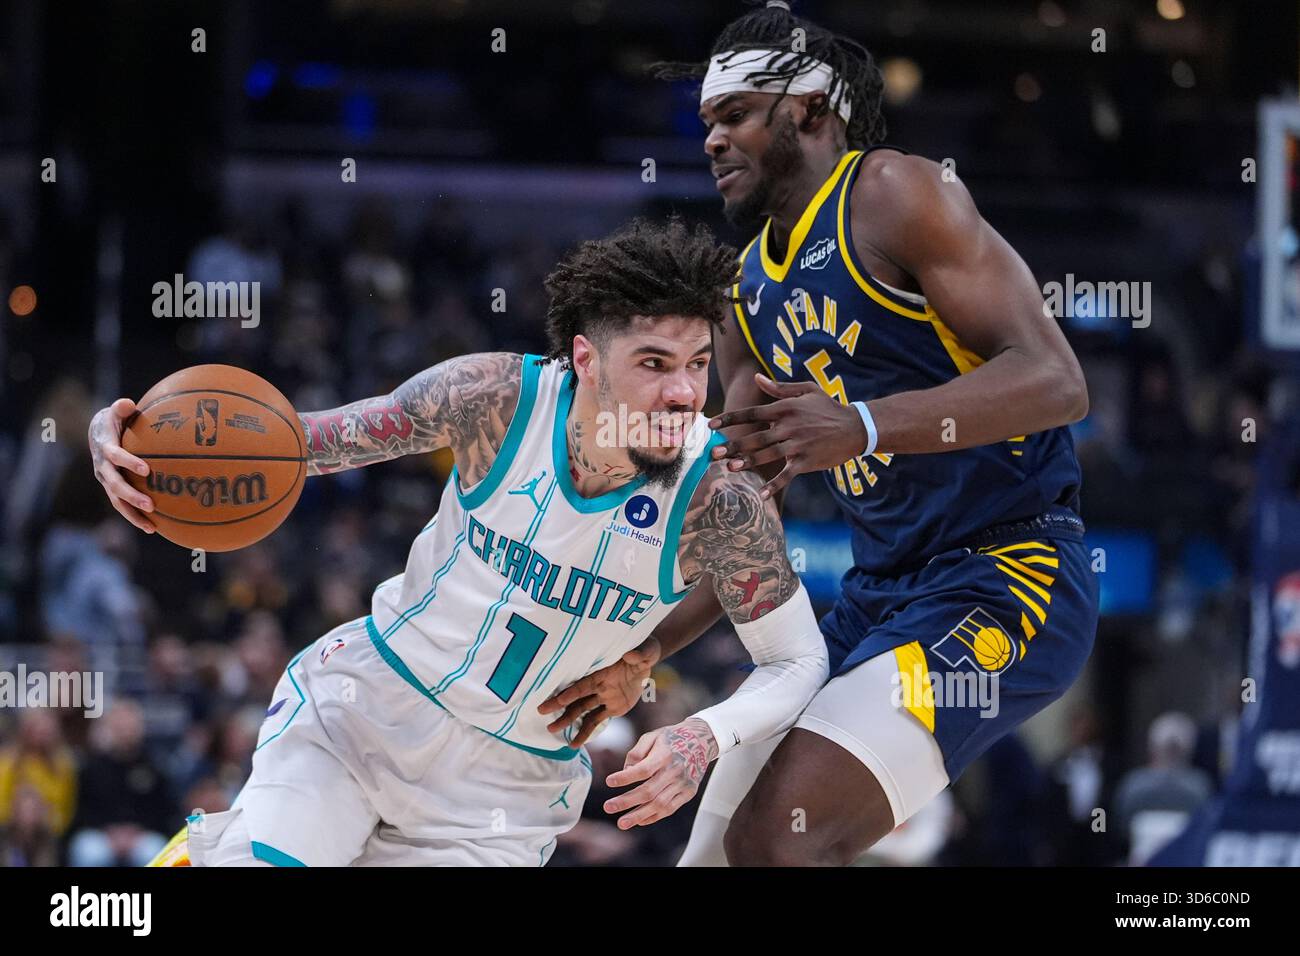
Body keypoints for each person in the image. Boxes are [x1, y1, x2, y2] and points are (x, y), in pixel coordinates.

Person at [541, 1, 1099, 866]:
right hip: (878, 594)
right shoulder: (742, 289)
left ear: (808, 107)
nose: (712, 142)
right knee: (718, 850)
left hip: (1009, 575)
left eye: (734, 116)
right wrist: (647, 649)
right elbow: (740, 521)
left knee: (779, 834)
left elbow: (1059, 382)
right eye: (705, 126)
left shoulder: (893, 192)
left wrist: (864, 425)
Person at [88, 217, 828, 866]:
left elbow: (797, 658)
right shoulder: (494, 402)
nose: (684, 393)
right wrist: (131, 443)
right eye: (654, 364)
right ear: (585, 361)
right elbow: (295, 446)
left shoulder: (719, 500)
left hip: (502, 794)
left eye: (698, 364)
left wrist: (704, 734)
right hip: (364, 712)